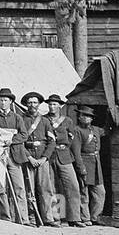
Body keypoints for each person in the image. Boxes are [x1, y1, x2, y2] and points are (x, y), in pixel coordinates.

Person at [19, 92, 58, 226]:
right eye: (29, 102)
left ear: (39, 104)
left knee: (45, 189)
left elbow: (52, 142)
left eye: (35, 102)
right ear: (26, 104)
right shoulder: (21, 119)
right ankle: (31, 217)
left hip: (42, 158)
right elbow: (18, 142)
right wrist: (29, 157)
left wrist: (44, 158)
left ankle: (48, 218)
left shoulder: (45, 121)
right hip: (27, 157)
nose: (32, 105)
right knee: (29, 189)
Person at [47, 94, 85, 227]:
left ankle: (74, 218)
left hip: (64, 156)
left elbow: (72, 139)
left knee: (72, 186)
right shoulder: (44, 119)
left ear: (60, 106)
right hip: (49, 155)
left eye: (55, 104)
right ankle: (57, 217)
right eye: (50, 104)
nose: (52, 107)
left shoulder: (67, 121)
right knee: (53, 187)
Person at [0, 88, 28, 223]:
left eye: (5, 100)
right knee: (1, 186)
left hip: (14, 156)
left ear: (11, 102)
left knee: (19, 187)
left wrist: (12, 141)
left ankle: (23, 218)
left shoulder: (17, 117)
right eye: (1, 100)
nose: (3, 103)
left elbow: (24, 135)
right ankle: (5, 218)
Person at [76, 105, 106, 227]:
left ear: (92, 119)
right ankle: (85, 218)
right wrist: (81, 168)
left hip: (96, 164)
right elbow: (76, 152)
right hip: (84, 162)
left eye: (89, 116)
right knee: (84, 193)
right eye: (83, 115)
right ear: (79, 117)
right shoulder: (77, 130)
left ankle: (95, 217)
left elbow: (108, 129)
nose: (86, 118)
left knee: (100, 192)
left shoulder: (96, 130)